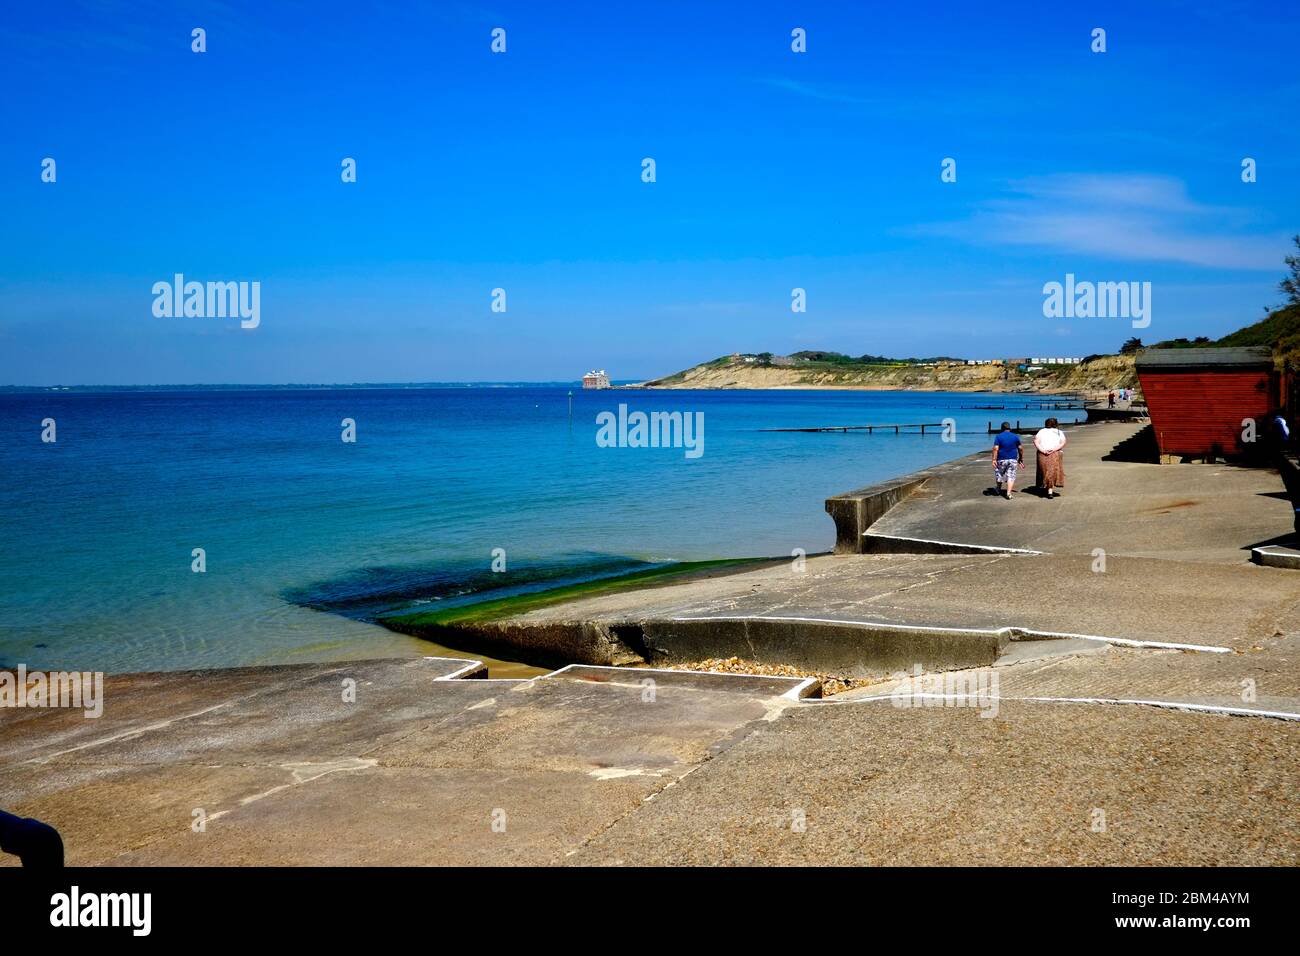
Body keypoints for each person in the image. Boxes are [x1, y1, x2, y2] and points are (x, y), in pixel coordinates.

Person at [1033, 417, 1068, 498]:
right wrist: (1054, 449)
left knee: (1044, 471)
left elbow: (1035, 441)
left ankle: (1048, 489)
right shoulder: (1059, 432)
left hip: (1042, 453)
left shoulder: (1041, 431)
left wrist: (1042, 450)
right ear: (1056, 423)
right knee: (1052, 471)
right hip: (1055, 453)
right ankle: (1050, 490)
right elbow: (1063, 442)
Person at [991, 422, 1023, 499]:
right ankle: (1008, 493)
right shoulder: (1015, 436)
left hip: (1001, 459)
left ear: (1001, 428)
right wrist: (1021, 458)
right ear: (1010, 428)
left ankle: (998, 489)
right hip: (1012, 459)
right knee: (1011, 476)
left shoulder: (998, 436)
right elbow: (1020, 448)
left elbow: (996, 448)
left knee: (1000, 474)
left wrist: (994, 459)